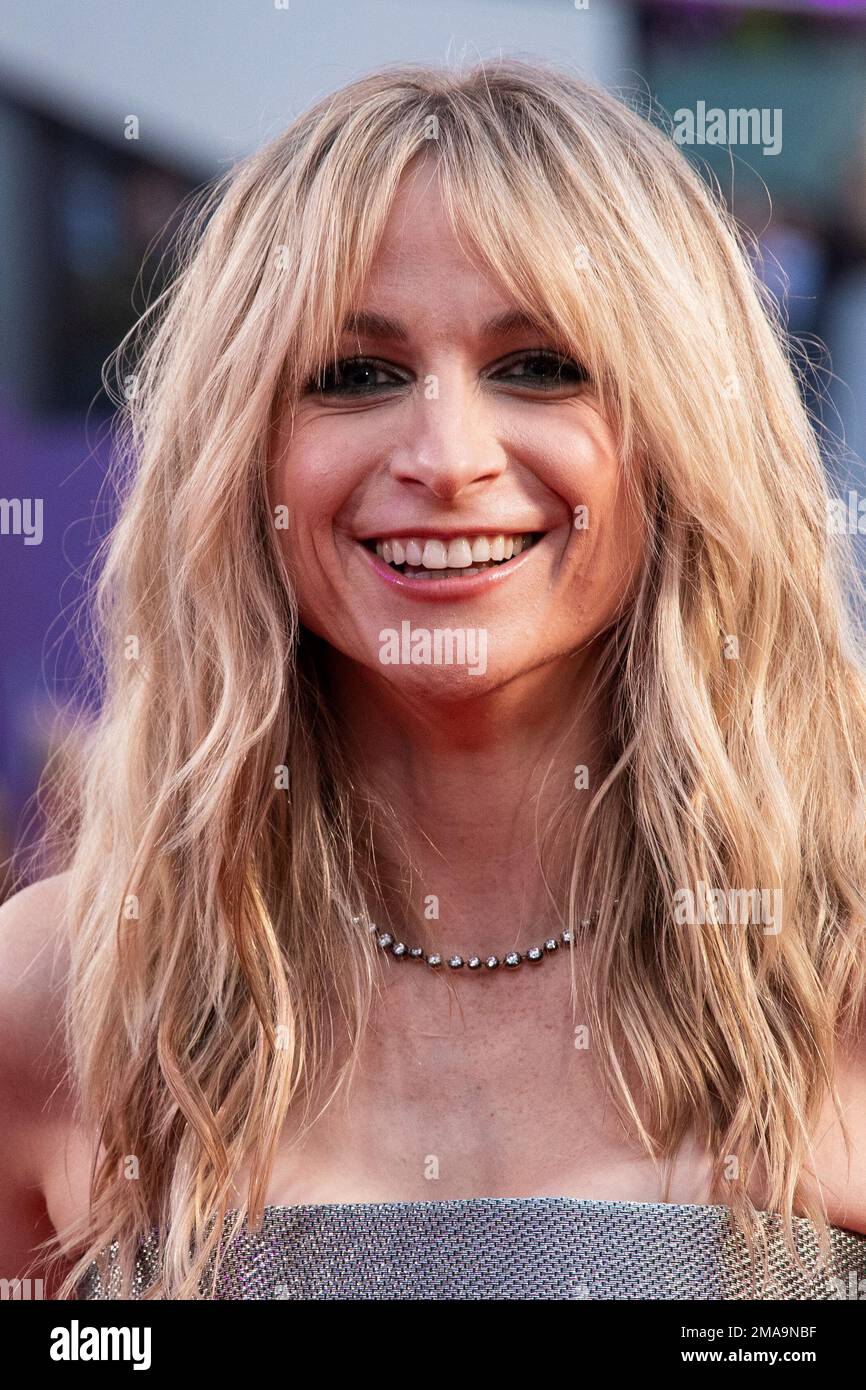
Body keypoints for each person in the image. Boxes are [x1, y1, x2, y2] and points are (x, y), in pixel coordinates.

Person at [2, 58, 866, 1301]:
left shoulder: (836, 964)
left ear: (685, 435)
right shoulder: (61, 998)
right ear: (239, 451)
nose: (447, 457)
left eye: (539, 366)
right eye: (353, 375)